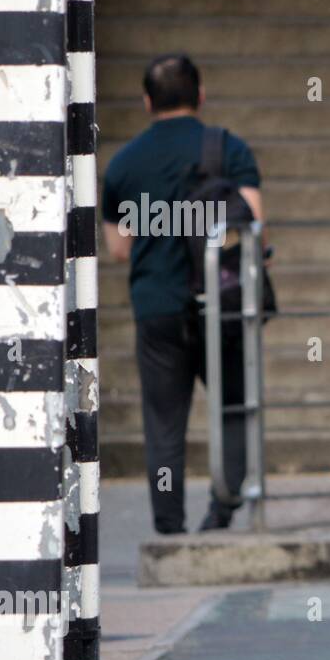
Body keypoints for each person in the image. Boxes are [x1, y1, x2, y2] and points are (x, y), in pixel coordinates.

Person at [101, 53, 264, 534]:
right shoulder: (228, 149)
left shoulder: (125, 163)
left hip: (157, 306)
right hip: (223, 303)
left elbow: (116, 248)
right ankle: (224, 508)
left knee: (165, 421)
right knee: (232, 404)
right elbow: (254, 225)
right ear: (201, 95)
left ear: (147, 101)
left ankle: (169, 525)